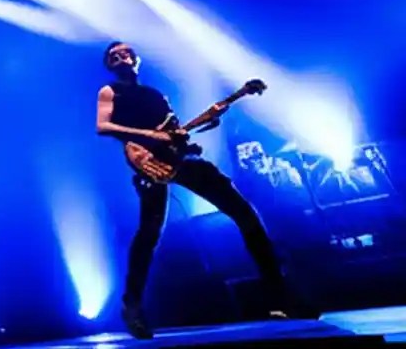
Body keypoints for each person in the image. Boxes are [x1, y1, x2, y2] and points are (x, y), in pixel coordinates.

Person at [96, 41, 291, 339]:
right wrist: (148, 135)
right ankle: (132, 305)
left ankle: (279, 296)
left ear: (136, 59)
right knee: (149, 234)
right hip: (147, 162)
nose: (122, 56)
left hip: (182, 159)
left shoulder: (156, 95)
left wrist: (198, 129)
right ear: (110, 65)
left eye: (127, 52)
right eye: (114, 55)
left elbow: (175, 131)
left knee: (244, 213)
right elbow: (104, 127)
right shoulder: (111, 92)